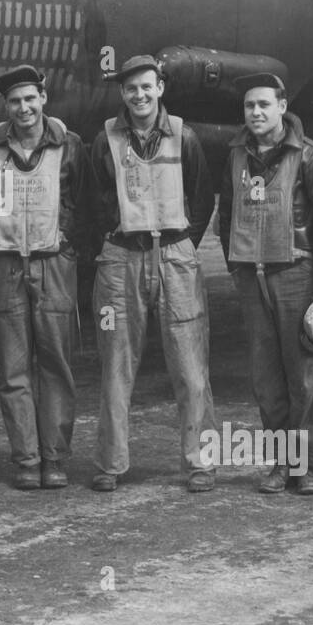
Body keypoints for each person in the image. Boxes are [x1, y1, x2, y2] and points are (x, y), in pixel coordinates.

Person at [86, 55, 217, 493]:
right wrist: (112, 244)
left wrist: (180, 246)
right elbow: (94, 199)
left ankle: (200, 463)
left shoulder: (187, 137)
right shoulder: (104, 141)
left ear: (160, 87)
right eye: (130, 89)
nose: (138, 95)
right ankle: (110, 463)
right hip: (121, 259)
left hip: (176, 256)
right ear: (122, 94)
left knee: (190, 365)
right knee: (116, 365)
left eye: (146, 87)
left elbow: (202, 198)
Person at [218, 73, 313, 496]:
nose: (256, 113)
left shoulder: (309, 156)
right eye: (249, 106)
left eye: (264, 105)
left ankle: (304, 467)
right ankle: (278, 464)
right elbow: (226, 216)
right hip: (252, 279)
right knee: (266, 378)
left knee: (303, 374)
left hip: (297, 276)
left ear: (282, 107)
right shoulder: (236, 156)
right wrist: (236, 265)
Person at [0, 65, 91, 490]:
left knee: (56, 365)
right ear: (6, 107)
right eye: (14, 101)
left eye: (30, 98)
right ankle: (25, 457)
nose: (23, 108)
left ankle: (55, 457)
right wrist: (2, 241)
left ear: (43, 99)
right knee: (13, 370)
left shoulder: (71, 145)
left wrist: (67, 237)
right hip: (5, 267)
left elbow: (85, 202)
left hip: (54, 264)